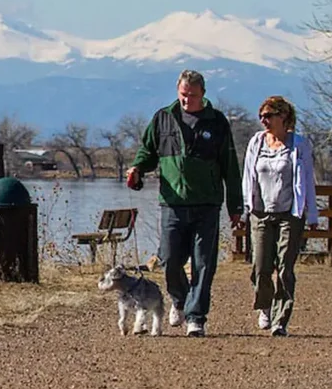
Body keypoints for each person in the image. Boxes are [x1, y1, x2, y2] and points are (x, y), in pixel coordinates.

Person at [126, 69, 243, 337]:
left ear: (203, 94)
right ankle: (179, 299)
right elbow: (148, 151)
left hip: (207, 204)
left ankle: (196, 317)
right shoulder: (163, 118)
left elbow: (230, 167)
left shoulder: (217, 122)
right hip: (172, 203)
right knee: (169, 259)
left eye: (192, 95)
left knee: (204, 263)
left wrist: (235, 206)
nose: (186, 100)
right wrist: (137, 168)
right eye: (182, 94)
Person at [241, 96, 318, 336]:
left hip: (290, 214)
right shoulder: (256, 142)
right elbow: (248, 177)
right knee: (261, 266)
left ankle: (280, 319)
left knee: (285, 267)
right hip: (261, 213)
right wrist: (245, 209)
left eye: (268, 116)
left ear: (283, 116)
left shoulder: (299, 145)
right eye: (261, 116)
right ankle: (265, 305)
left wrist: (312, 215)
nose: (264, 121)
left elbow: (308, 180)